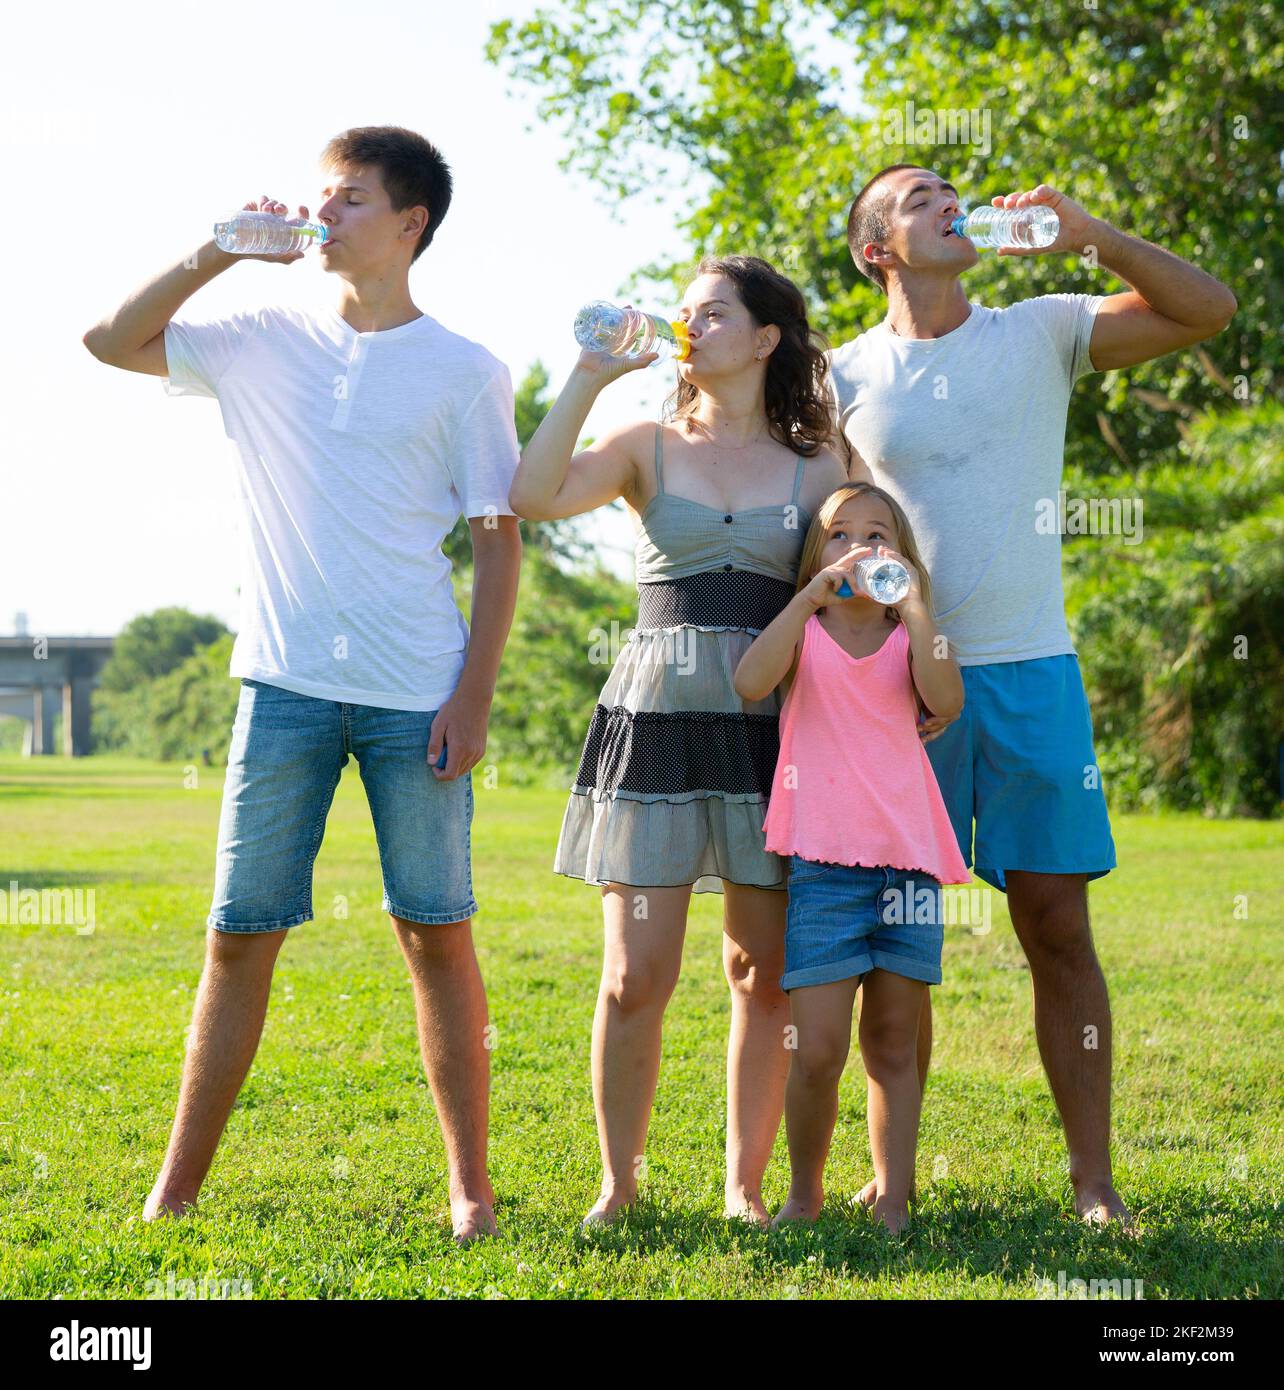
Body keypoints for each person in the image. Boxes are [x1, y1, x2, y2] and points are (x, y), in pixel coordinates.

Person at [82, 126, 523, 1243]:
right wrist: (218, 249)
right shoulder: (258, 334)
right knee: (239, 933)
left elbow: (498, 543)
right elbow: (106, 340)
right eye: (321, 197)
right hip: (279, 687)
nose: (323, 216)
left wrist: (473, 697)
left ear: (411, 222)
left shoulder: (469, 371)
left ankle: (470, 1188)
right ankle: (175, 1188)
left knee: (436, 932)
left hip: (416, 691)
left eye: (350, 200)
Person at [829, 166, 1238, 1225]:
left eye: (953, 188)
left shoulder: (1044, 326)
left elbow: (1209, 308)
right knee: (898, 933)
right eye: (920, 197)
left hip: (1033, 673)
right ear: (878, 249)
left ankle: (1093, 1183)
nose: (949, 201)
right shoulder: (844, 377)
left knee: (1057, 925)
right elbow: (817, 531)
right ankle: (891, 1177)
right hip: (902, 684)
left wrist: (1091, 233)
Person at [510, 256, 848, 1225]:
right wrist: (588, 373)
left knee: (762, 970)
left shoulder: (821, 462)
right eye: (686, 312)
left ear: (768, 337)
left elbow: (861, 576)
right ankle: (620, 1183)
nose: (691, 326)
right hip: (658, 717)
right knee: (633, 974)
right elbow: (533, 494)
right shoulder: (646, 443)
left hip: (774, 724)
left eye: (715, 312)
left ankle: (745, 1185)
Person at [734, 482, 967, 1232]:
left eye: (878, 534)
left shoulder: (910, 636)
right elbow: (748, 682)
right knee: (819, 1048)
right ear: (816, 556)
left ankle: (893, 1198)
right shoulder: (807, 631)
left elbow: (947, 700)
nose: (859, 546)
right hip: (826, 870)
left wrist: (916, 605)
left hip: (908, 865)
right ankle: (804, 1195)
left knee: (895, 1040)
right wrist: (806, 600)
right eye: (840, 534)